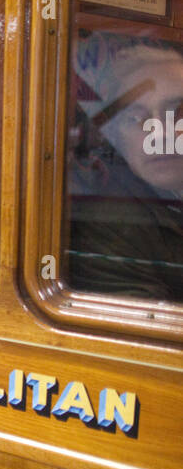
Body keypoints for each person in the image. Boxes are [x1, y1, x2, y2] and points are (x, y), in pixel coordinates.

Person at [67, 35, 183, 301]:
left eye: (178, 113)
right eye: (134, 117)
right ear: (117, 139)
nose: (160, 134)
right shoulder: (109, 226)